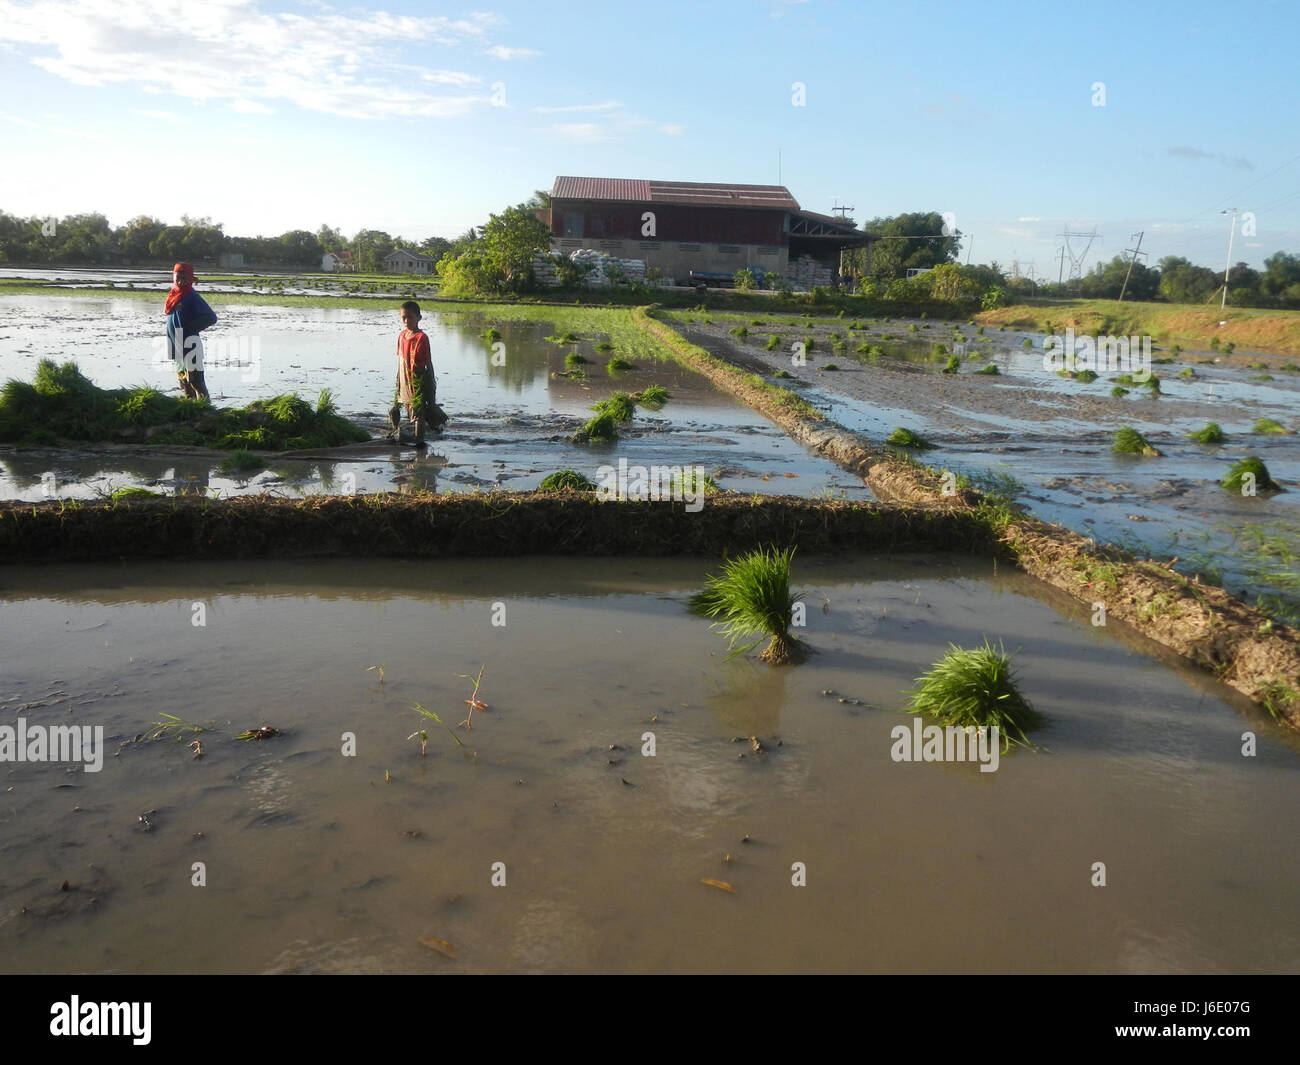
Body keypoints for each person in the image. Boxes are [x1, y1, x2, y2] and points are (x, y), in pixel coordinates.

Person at [388, 300, 445, 445]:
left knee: (418, 412)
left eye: (410, 317)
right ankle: (395, 430)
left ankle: (420, 440)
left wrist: (431, 382)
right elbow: (400, 359)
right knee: (395, 409)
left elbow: (428, 362)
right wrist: (398, 378)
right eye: (403, 317)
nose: (406, 321)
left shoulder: (421, 338)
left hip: (417, 381)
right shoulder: (401, 336)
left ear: (419, 318)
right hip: (404, 380)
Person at [164, 262, 218, 400]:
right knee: (183, 382)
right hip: (175, 344)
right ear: (173, 277)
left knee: (195, 381)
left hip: (190, 343)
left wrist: (189, 328)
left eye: (185, 277)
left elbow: (211, 317)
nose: (181, 280)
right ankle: (191, 410)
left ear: (190, 279)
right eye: (178, 277)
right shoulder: (173, 296)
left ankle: (206, 409)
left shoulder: (191, 297)